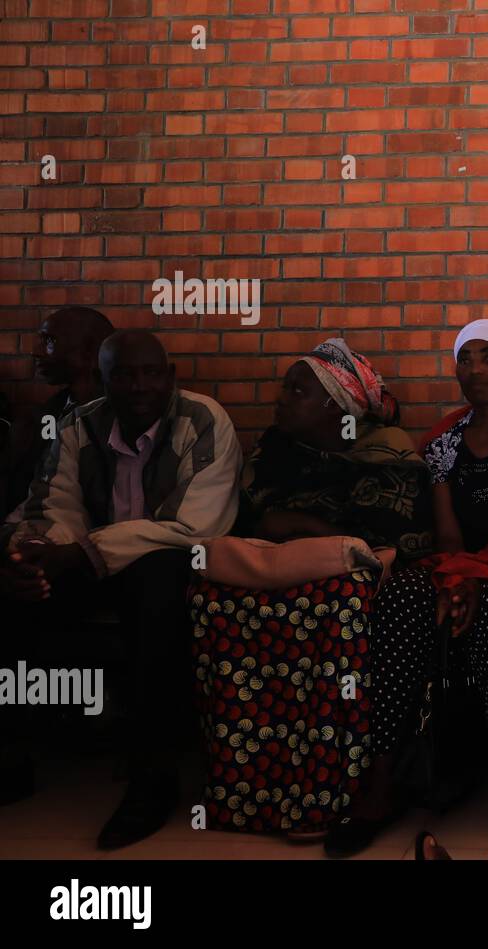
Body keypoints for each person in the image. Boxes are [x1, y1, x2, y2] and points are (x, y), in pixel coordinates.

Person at [335, 319, 488, 859]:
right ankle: (383, 781)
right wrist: (458, 580)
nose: (475, 369)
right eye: (466, 358)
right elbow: (445, 535)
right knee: (401, 596)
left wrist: (480, 581)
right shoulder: (441, 441)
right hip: (457, 563)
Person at [0, 329, 241, 848]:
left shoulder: (203, 421)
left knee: (156, 583)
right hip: (90, 562)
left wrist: (82, 552)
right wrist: (36, 553)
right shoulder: (78, 427)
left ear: (170, 377)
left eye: (151, 373)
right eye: (124, 375)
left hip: (175, 568)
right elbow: (53, 506)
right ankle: (14, 757)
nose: (139, 387)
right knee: (19, 587)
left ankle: (152, 779)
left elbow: (194, 528)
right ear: (104, 381)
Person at [189, 338, 434, 836]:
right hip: (278, 576)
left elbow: (387, 541)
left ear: (333, 404)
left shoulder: (388, 450)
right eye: (285, 387)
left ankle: (326, 788)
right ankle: (250, 787)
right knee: (214, 600)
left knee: (335, 604)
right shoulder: (276, 449)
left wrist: (300, 524)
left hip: (342, 586)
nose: (280, 399)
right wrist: (306, 529)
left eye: (296, 390)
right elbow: (257, 520)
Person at [3, 306, 114, 514]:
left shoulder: (122, 418)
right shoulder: (43, 416)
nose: (36, 351)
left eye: (50, 341)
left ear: (89, 351)